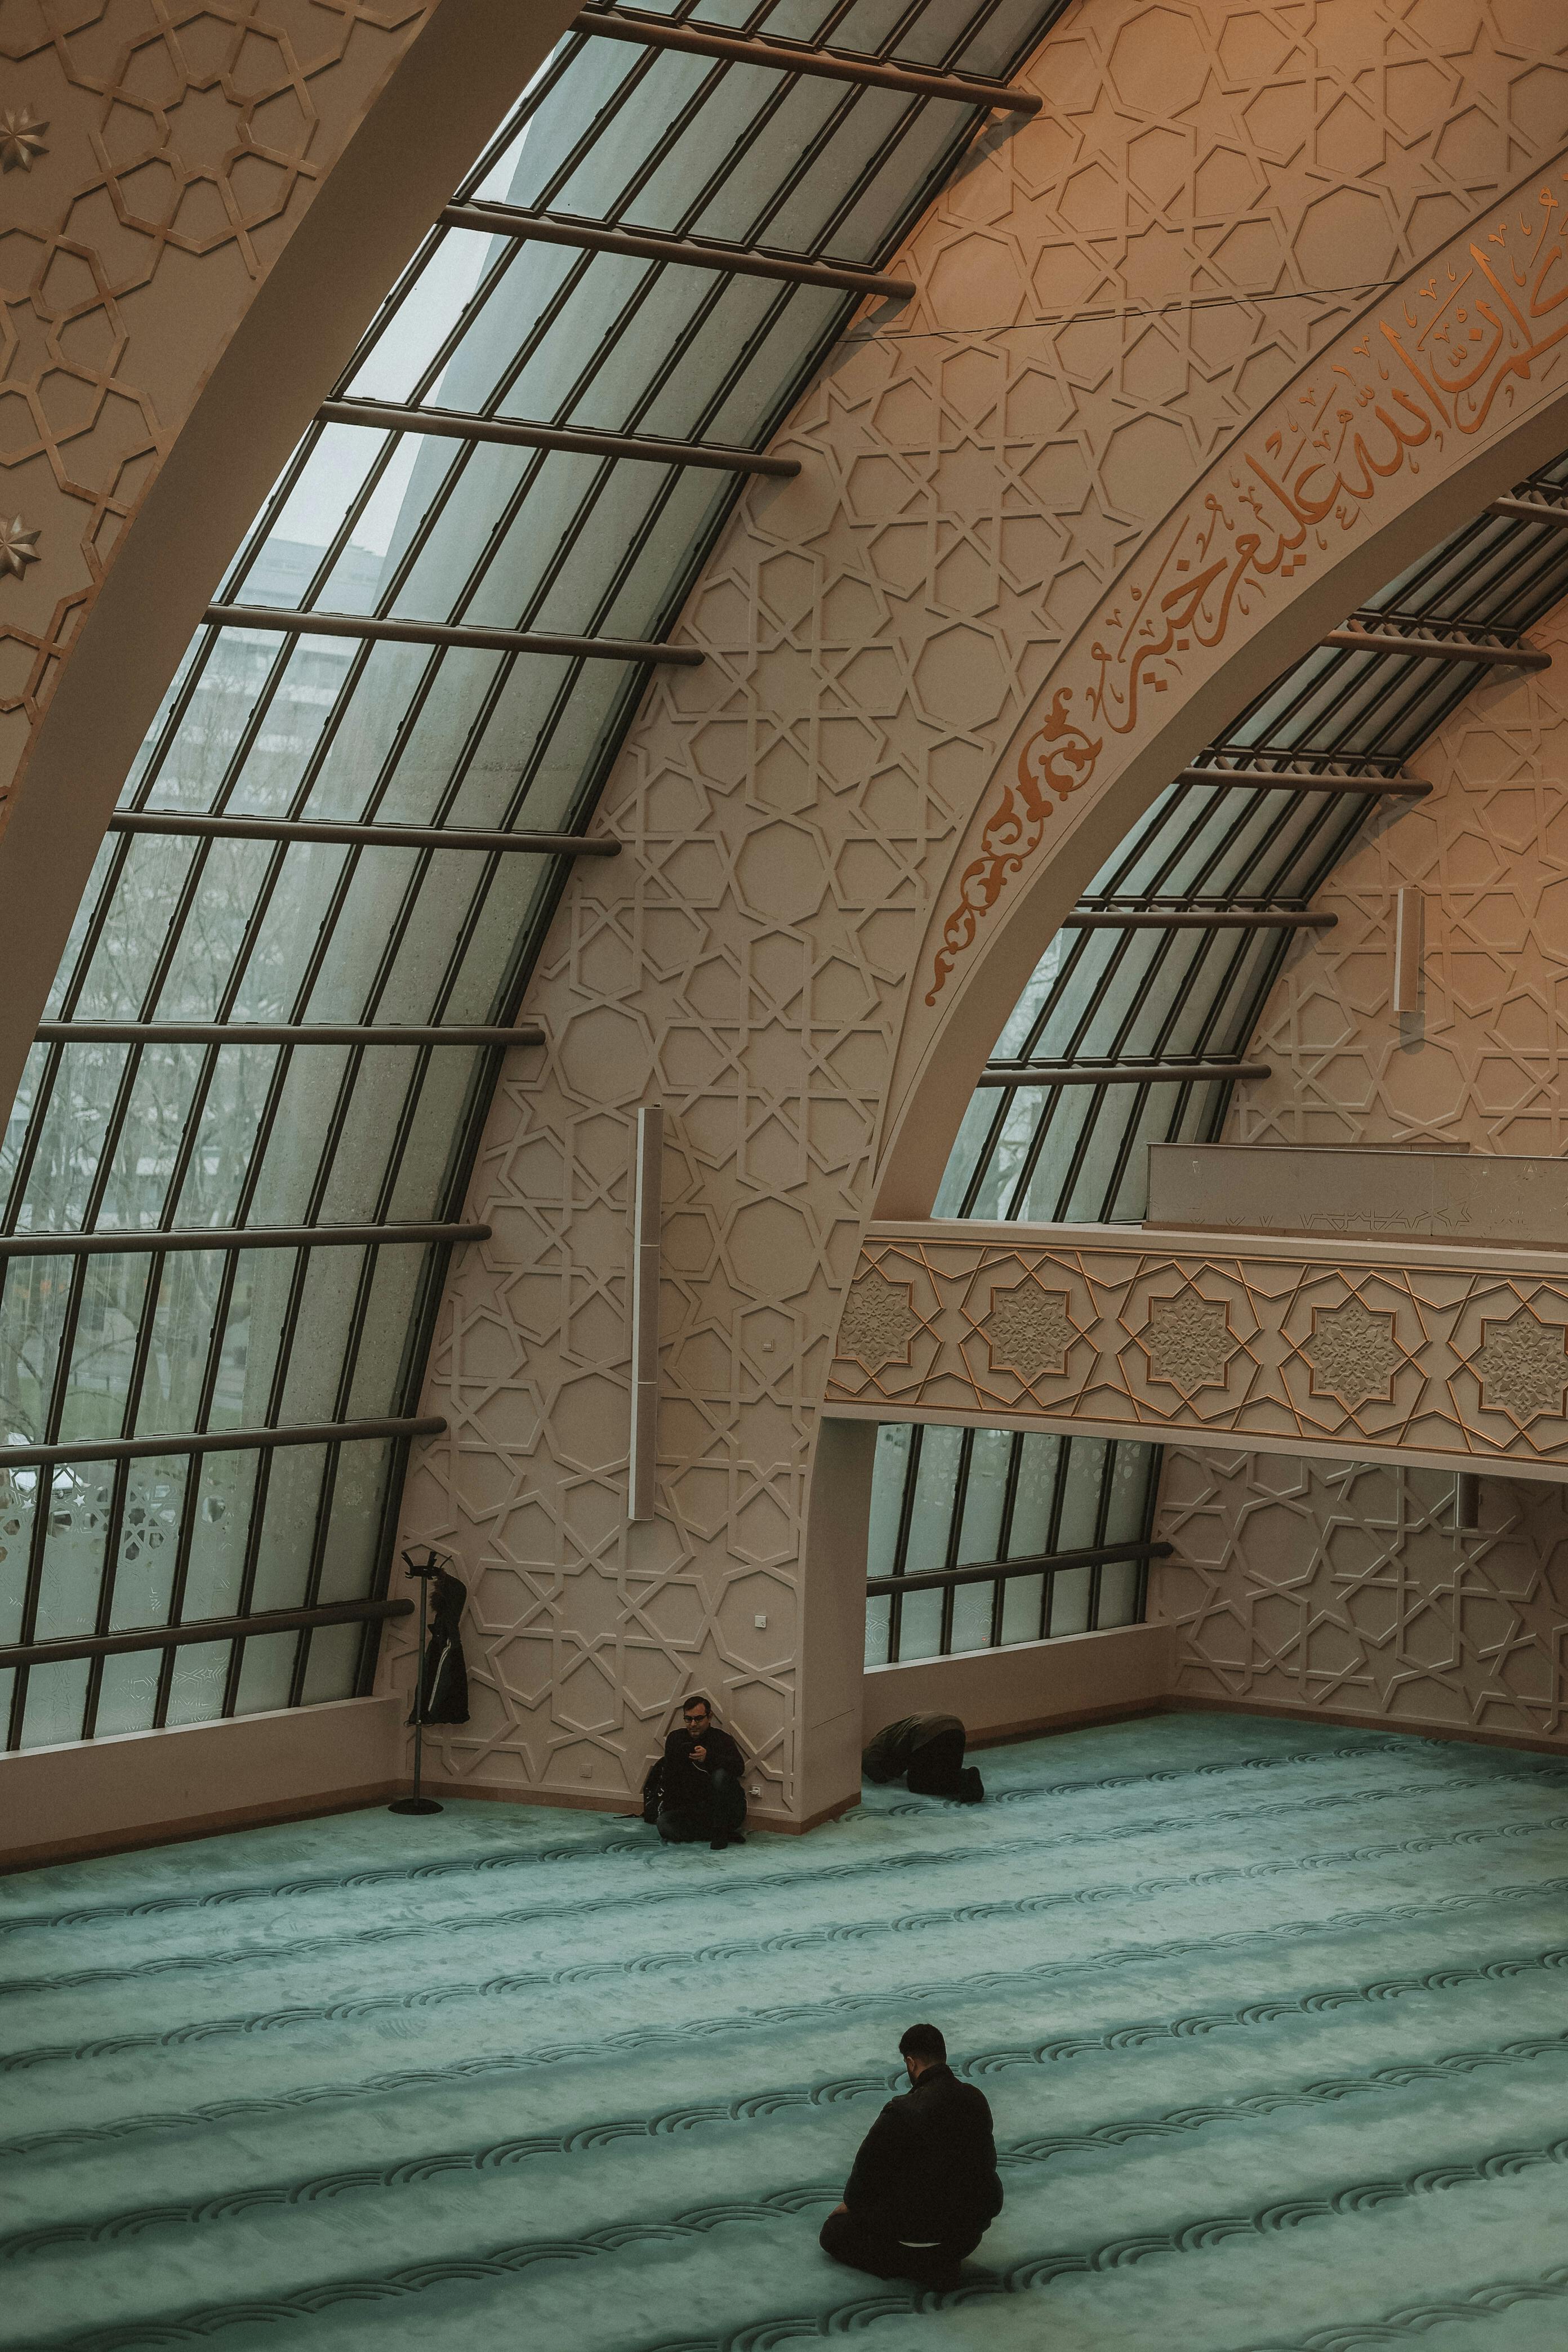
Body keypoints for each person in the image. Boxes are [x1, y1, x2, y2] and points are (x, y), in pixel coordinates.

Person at [819, 2023, 1002, 2286]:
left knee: (834, 2233)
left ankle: (917, 2266)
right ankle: (940, 2259)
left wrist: (852, 2205)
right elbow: (987, 2163)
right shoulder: (976, 2098)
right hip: (968, 2231)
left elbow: (866, 2172)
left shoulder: (901, 2110)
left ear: (911, 2063)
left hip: (919, 2224)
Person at [656, 1693, 747, 1850]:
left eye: (698, 1719)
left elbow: (739, 1768)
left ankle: (721, 1831)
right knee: (664, 1825)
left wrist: (708, 1757)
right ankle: (719, 1833)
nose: (693, 1724)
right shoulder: (676, 1738)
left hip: (725, 1809)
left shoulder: (721, 1739)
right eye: (688, 1719)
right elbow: (669, 1776)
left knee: (720, 1776)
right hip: (693, 1809)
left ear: (709, 1717)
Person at [862, 1713, 983, 1803]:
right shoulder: (899, 1732)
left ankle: (962, 1777)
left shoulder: (881, 1739)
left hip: (928, 1731)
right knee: (946, 1771)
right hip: (955, 1727)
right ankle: (966, 1781)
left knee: (918, 1784)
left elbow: (868, 1760)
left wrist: (881, 1778)